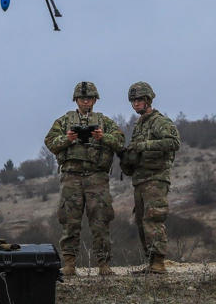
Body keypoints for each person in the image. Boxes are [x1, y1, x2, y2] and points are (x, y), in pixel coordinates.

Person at [44, 82, 124, 277]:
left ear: (95, 100)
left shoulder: (105, 122)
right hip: (72, 177)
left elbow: (120, 142)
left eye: (89, 98)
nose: (85, 101)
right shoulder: (63, 122)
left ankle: (103, 264)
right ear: (76, 100)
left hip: (97, 177)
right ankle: (69, 264)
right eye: (82, 98)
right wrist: (68, 139)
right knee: (70, 222)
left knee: (100, 221)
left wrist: (102, 137)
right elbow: (50, 142)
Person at [121, 81, 180, 274]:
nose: (136, 104)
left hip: (156, 178)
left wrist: (143, 146)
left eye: (139, 100)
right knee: (141, 222)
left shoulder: (159, 121)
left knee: (152, 219)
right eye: (133, 101)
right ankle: (152, 263)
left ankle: (158, 264)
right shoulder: (140, 125)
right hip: (140, 179)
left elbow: (173, 142)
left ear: (147, 100)